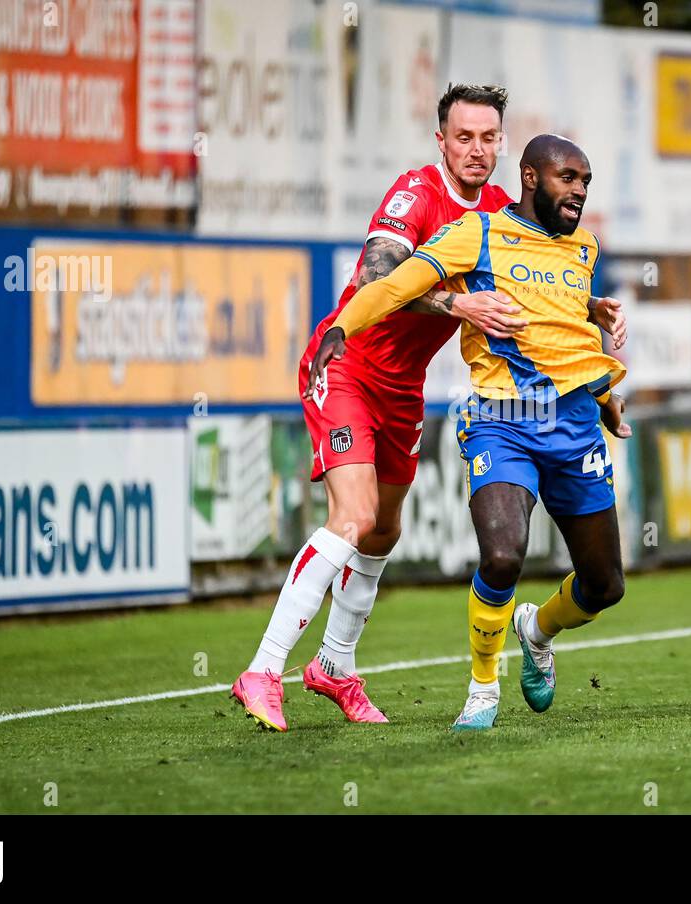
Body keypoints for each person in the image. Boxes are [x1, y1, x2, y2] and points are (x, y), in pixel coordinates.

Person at [233, 87, 626, 733]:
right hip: (349, 365)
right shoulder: (416, 195)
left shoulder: (506, 212)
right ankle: (264, 669)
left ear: (504, 146)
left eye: (487, 137)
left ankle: (334, 666)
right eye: (463, 137)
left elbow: (529, 283)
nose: (476, 149)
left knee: (383, 533)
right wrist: (456, 305)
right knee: (355, 517)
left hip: (403, 386)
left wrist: (589, 308)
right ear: (440, 141)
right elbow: (377, 280)